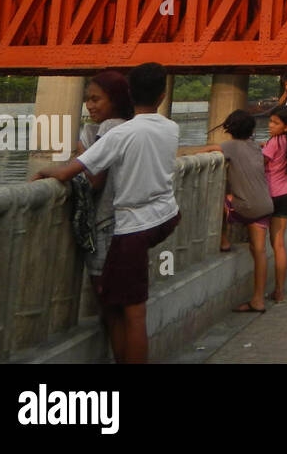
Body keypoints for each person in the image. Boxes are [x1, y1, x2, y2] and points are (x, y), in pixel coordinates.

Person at [32, 62, 180, 364]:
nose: (89, 105)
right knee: (116, 304)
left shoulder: (118, 134)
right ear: (163, 95)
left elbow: (76, 173)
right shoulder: (171, 127)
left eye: (95, 99)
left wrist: (47, 169)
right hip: (165, 216)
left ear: (126, 93)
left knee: (133, 312)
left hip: (132, 227)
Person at [70, 71, 134, 341]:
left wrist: (79, 156)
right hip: (128, 222)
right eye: (87, 99)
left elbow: (94, 180)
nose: (90, 105)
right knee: (122, 306)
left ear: (115, 100)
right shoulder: (131, 127)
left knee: (110, 307)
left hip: (106, 224)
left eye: (97, 99)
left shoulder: (109, 128)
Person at [189, 110, 274, 312]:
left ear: (230, 129)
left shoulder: (231, 146)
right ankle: (258, 300)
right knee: (259, 252)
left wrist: (187, 153)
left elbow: (210, 148)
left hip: (246, 206)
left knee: (221, 199)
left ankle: (224, 240)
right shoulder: (255, 146)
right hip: (265, 205)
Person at [261, 105, 287, 303]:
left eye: (275, 123)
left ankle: (266, 290)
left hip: (270, 194)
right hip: (285, 194)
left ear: (286, 127)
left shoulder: (274, 142)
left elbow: (261, 162)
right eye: (270, 121)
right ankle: (280, 291)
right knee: (279, 245)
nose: (270, 126)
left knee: (265, 243)